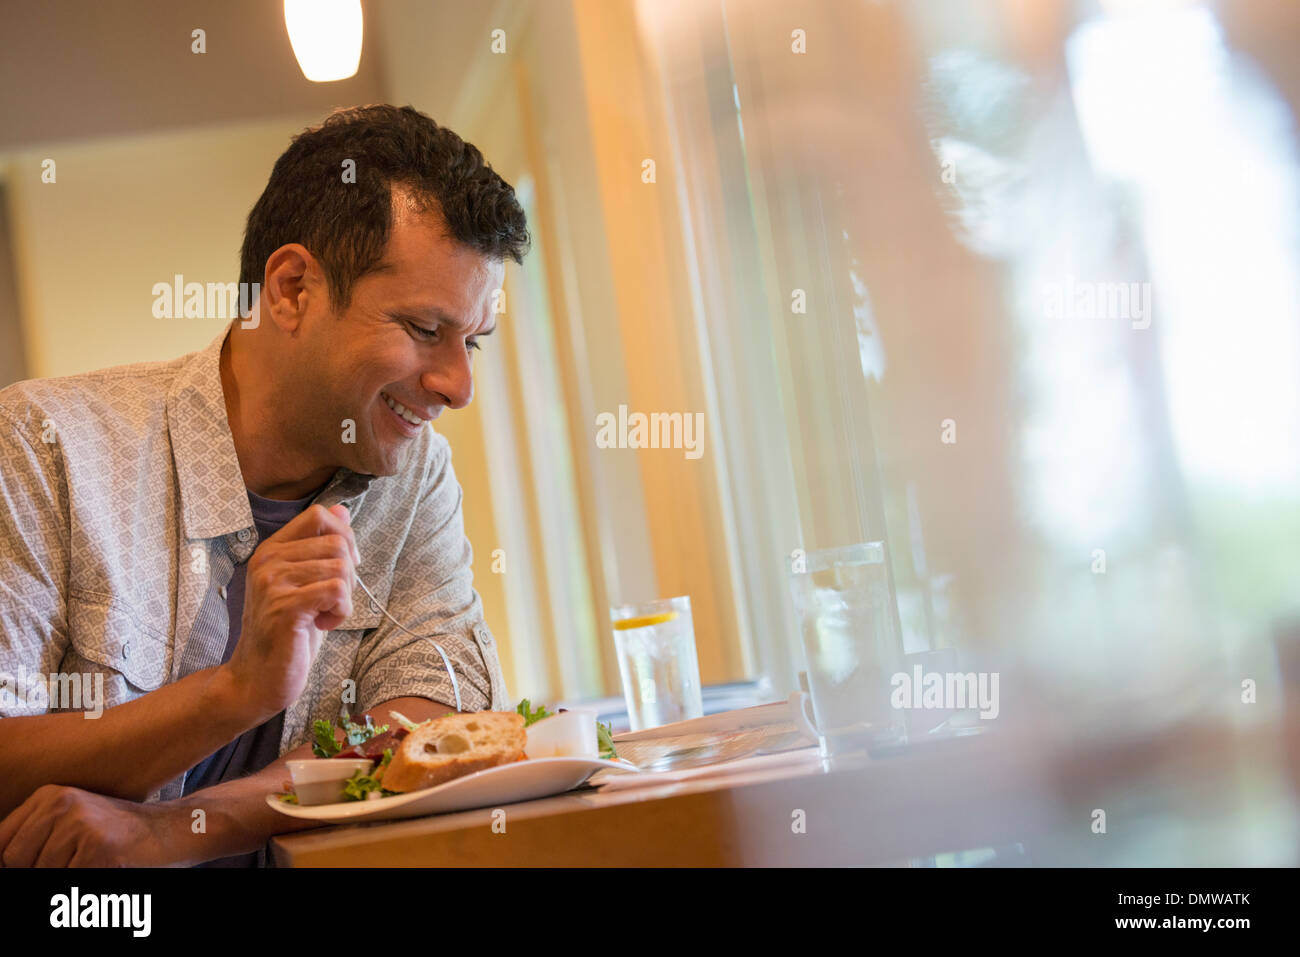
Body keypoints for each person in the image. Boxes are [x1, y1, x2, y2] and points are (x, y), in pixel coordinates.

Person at [0, 104, 529, 866]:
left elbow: (430, 724)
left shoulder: (412, 474)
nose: (458, 385)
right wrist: (235, 690)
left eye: (472, 341)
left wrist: (173, 828)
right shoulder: (44, 444)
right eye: (424, 330)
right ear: (290, 289)